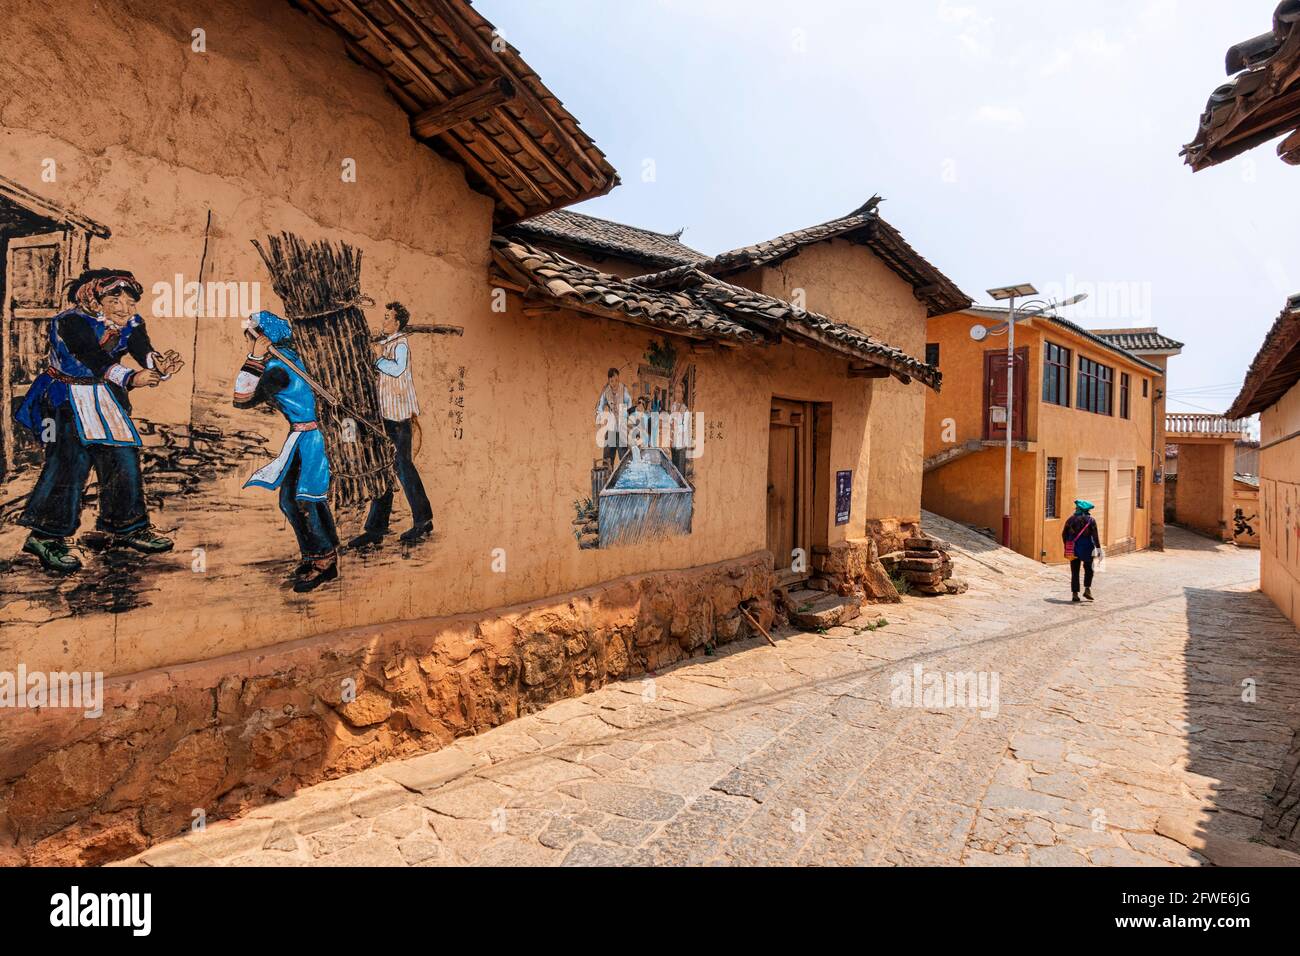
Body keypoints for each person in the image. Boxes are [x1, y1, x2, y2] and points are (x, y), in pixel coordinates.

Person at [14, 268, 182, 573]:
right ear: (92, 297)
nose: (124, 307)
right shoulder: (71, 321)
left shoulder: (131, 322)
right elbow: (94, 358)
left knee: (122, 457)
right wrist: (132, 378)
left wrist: (157, 363)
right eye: (115, 299)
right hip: (65, 397)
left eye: (130, 301)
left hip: (105, 398)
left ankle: (126, 526)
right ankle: (45, 536)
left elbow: (142, 350)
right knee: (69, 461)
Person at [234, 310, 339, 592]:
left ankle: (324, 561)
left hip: (309, 440)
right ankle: (317, 554)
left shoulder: (277, 370)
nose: (247, 342)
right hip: (305, 438)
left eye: (250, 338)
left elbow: (242, 399)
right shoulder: (292, 360)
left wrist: (254, 357)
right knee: (297, 501)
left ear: (263, 339)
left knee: (302, 501)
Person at [347, 301, 433, 549]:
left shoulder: (401, 345)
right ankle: (376, 528)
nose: (383, 321)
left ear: (397, 323)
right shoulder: (389, 344)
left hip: (399, 418)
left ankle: (423, 519)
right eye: (384, 317)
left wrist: (376, 361)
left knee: (403, 467)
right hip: (386, 415)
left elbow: (397, 370)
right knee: (383, 467)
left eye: (387, 318)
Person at [1062, 499, 1102, 603]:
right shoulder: (1091, 520)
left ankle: (1075, 594)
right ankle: (1087, 589)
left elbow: (1064, 535)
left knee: (1074, 571)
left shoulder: (1070, 520)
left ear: (1078, 509)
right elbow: (1095, 536)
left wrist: (1067, 546)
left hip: (1074, 549)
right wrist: (1098, 549)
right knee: (1089, 569)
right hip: (1087, 549)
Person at [595, 367, 631, 465]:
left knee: (624, 458)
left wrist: (626, 416)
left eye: (616, 380)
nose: (614, 383)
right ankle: (607, 477)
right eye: (612, 381)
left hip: (622, 427)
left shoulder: (623, 389)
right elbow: (599, 407)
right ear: (609, 380)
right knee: (607, 458)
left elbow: (629, 403)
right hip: (611, 427)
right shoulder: (606, 392)